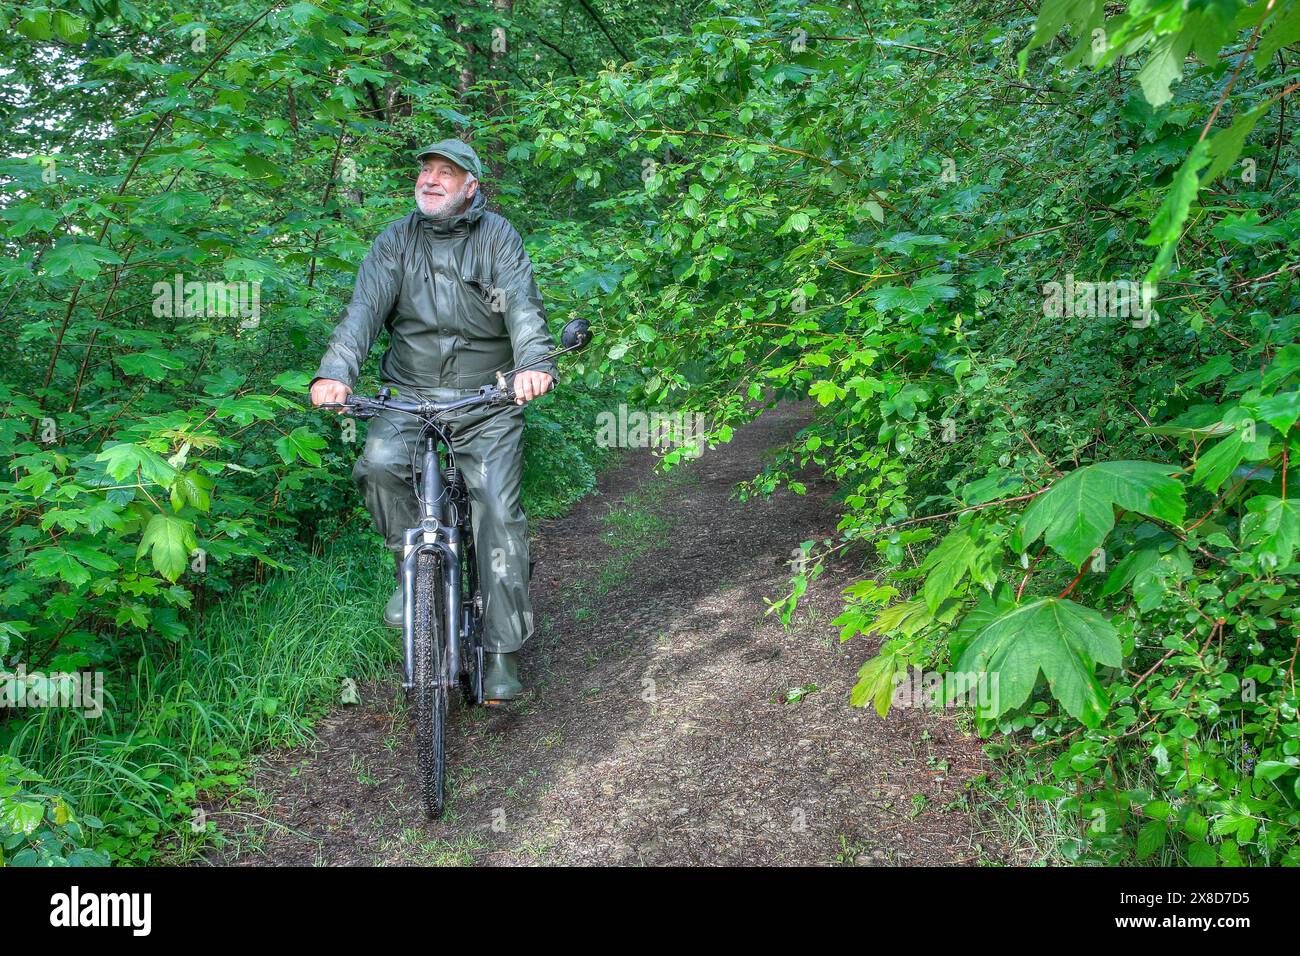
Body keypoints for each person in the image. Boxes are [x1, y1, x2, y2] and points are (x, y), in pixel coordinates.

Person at [309, 138, 556, 702]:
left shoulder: (497, 237)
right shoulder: (394, 242)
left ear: (471, 186)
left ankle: (500, 653)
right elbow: (363, 312)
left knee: (496, 510)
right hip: (407, 398)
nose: (431, 179)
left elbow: (521, 305)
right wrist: (335, 373)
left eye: (447, 173)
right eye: (426, 171)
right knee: (375, 465)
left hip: (485, 402)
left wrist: (534, 365)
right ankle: (409, 567)